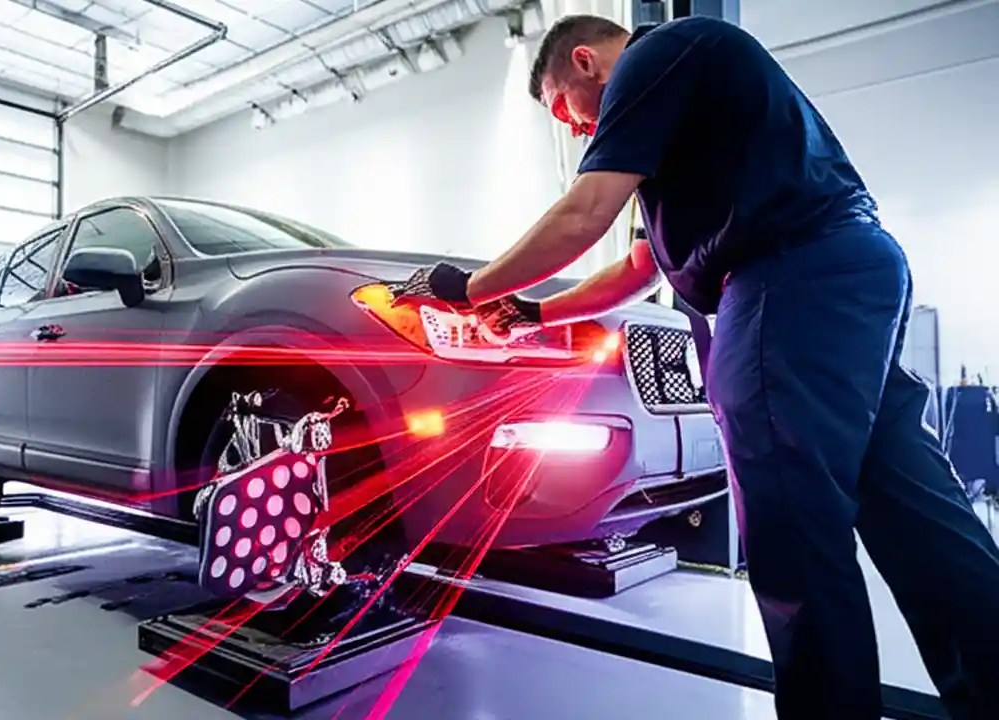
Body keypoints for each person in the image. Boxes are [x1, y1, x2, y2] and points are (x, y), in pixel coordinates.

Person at [395, 14, 999, 720]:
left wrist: (466, 288)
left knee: (793, 536)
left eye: (567, 111)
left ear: (586, 63)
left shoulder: (659, 57)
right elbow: (634, 269)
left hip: (785, 282)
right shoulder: (686, 117)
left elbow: (580, 214)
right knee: (913, 511)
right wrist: (531, 313)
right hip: (852, 274)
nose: (579, 130)